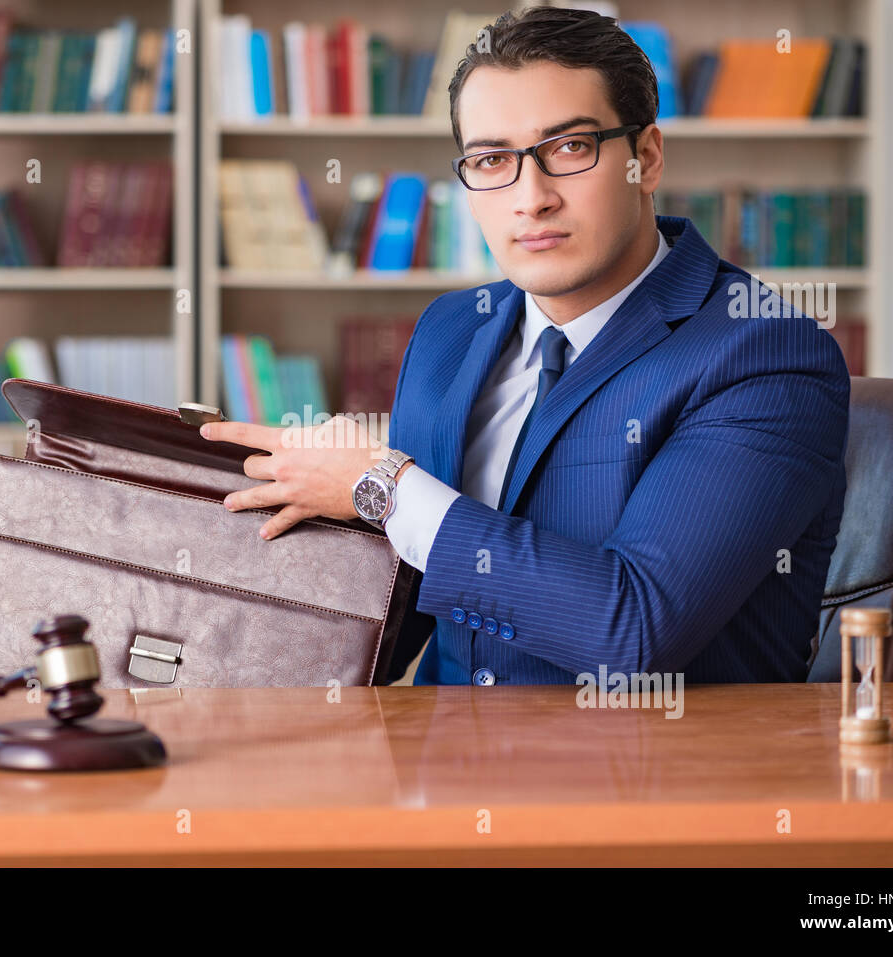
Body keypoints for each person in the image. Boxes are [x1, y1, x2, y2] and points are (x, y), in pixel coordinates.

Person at [199, 6, 850, 686]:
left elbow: (635, 626)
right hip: (435, 771)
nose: (530, 197)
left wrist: (383, 486)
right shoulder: (450, 331)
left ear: (647, 158)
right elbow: (395, 613)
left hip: (651, 781)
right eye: (491, 160)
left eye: (570, 148)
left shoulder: (766, 356)